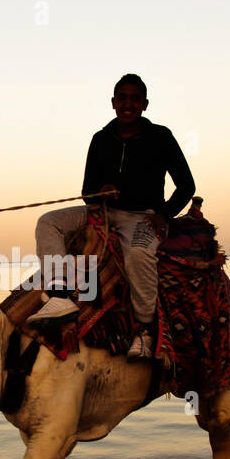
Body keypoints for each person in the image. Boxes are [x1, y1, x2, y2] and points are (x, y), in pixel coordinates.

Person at [27, 73, 195, 359]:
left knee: (140, 252)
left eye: (135, 98)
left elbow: (187, 186)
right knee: (48, 221)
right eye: (123, 98)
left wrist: (164, 215)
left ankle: (144, 328)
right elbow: (86, 190)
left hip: (142, 217)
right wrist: (99, 192)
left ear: (144, 104)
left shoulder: (161, 137)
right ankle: (59, 295)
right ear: (113, 103)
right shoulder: (101, 139)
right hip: (102, 212)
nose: (128, 104)